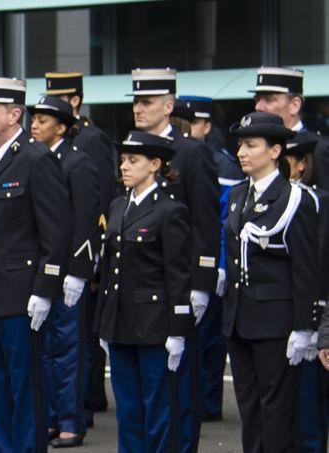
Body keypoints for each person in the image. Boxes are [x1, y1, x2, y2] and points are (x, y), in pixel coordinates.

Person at [0, 76, 73, 453]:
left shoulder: (36, 158)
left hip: (20, 294)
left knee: (25, 385)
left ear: (15, 114)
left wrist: (44, 290)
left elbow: (56, 233)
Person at [130, 68, 221, 452]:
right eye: (135, 101)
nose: (138, 108)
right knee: (144, 392)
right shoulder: (134, 148)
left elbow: (205, 220)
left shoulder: (191, 152)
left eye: (146, 102)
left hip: (179, 282)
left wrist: (201, 284)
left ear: (169, 107)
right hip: (141, 286)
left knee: (180, 385)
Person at [223, 111, 319, 452]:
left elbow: (306, 268)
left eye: (251, 145)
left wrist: (305, 327)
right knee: (250, 410)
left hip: (276, 323)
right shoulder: (237, 195)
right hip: (239, 319)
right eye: (240, 145)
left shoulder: (294, 199)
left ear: (276, 151)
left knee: (277, 412)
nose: (242, 153)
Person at [94, 130, 194, 452]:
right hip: (121, 324)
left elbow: (178, 275)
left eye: (132, 160)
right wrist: (103, 324)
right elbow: (110, 272)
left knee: (159, 412)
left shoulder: (169, 210)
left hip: (154, 326)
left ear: (154, 164)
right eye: (123, 160)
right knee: (128, 411)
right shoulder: (118, 205)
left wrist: (178, 330)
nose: (124, 166)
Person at [44, 71, 117, 420]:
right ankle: (63, 413)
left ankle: (83, 406)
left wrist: (89, 262)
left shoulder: (90, 143)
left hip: (78, 256)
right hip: (49, 260)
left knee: (76, 341)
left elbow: (96, 207)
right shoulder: (41, 153)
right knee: (52, 345)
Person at [30, 96, 100, 448]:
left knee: (69, 349)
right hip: (43, 269)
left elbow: (86, 221)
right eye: (34, 119)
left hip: (69, 269)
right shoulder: (36, 159)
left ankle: (72, 421)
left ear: (62, 126)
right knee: (43, 349)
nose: (35, 125)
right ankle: (53, 417)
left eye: (44, 120)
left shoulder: (78, 162)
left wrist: (79, 270)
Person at [172, 96, 243, 422]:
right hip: (192, 262)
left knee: (210, 340)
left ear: (207, 126)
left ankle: (209, 402)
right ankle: (198, 400)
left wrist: (221, 266)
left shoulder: (223, 163)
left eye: (193, 124)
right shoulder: (178, 157)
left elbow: (222, 219)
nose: (186, 131)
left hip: (211, 261)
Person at [282, 133, 329, 452]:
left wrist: (319, 319)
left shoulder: (318, 201)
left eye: (285, 161)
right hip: (275, 313)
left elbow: (321, 262)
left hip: (309, 311)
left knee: (309, 409)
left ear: (301, 164)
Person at [252, 66, 329, 191]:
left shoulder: (320, 149)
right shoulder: (255, 147)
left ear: (294, 105)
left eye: (269, 100)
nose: (258, 107)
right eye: (257, 99)